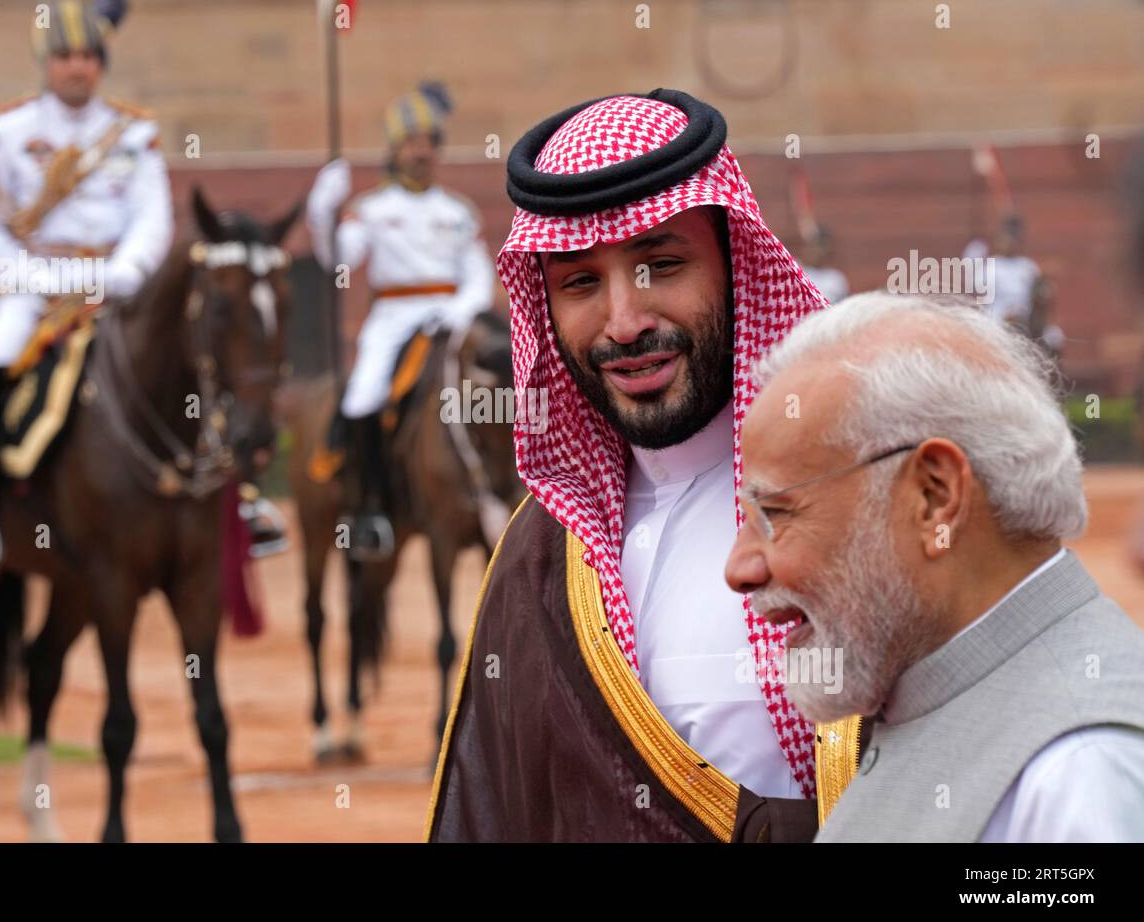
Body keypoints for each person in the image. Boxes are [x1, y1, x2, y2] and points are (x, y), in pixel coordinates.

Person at [427, 88, 838, 842]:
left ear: (735, 266)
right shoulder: (538, 554)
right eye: (580, 283)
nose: (625, 323)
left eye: (662, 265)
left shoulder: (859, 506)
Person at [725, 292, 1144, 842]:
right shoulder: (927, 691)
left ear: (934, 496)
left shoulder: (1080, 774)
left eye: (775, 512)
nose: (740, 567)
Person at [0, 0, 175, 569]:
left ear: (102, 64)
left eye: (90, 55)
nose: (79, 66)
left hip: (111, 285)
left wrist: (127, 271)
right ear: (46, 63)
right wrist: (21, 274)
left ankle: (228, 494)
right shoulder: (7, 132)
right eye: (66, 55)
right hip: (36, 287)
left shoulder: (133, 135)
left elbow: (153, 218)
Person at [305, 82, 495, 560]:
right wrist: (321, 212)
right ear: (394, 150)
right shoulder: (371, 210)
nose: (421, 152)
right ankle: (370, 508)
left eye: (429, 142)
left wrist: (459, 308)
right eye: (412, 142)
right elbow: (337, 258)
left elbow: (479, 276)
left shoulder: (458, 212)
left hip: (453, 314)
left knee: (502, 372)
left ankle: (511, 486)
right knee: (364, 393)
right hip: (394, 315)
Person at [798, 225, 848, 305]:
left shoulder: (836, 279)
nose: (817, 251)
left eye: (821, 246)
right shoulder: (797, 272)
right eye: (813, 245)